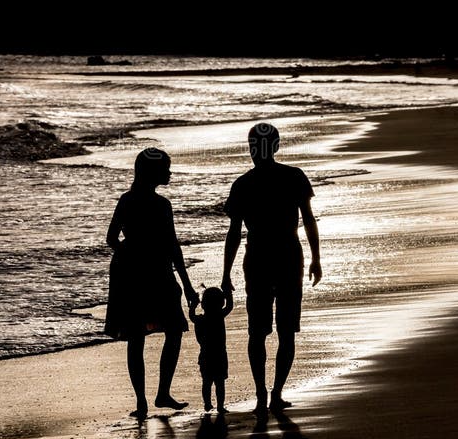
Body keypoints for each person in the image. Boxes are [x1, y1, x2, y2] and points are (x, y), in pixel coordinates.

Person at [221, 123, 322, 416]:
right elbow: (309, 220)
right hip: (287, 255)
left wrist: (226, 274)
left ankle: (265, 394)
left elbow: (234, 233)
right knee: (282, 330)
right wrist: (316, 258)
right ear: (276, 147)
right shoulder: (293, 176)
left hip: (260, 257)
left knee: (260, 331)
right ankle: (273, 393)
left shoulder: (244, 184)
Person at [106, 148, 198, 420]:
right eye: (165, 169)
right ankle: (161, 393)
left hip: (130, 270)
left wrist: (130, 251)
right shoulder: (161, 205)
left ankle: (144, 402)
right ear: (153, 173)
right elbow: (173, 247)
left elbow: (111, 239)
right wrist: (187, 285)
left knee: (136, 338)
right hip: (154, 270)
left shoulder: (127, 201)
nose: (169, 173)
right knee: (172, 329)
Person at [190, 285, 229, 414]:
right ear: (221, 303)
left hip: (205, 355)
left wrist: (193, 304)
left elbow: (191, 316)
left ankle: (207, 404)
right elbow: (230, 306)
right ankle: (220, 406)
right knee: (219, 383)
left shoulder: (200, 319)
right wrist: (228, 292)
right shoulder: (219, 315)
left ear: (203, 304)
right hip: (219, 355)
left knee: (206, 382)